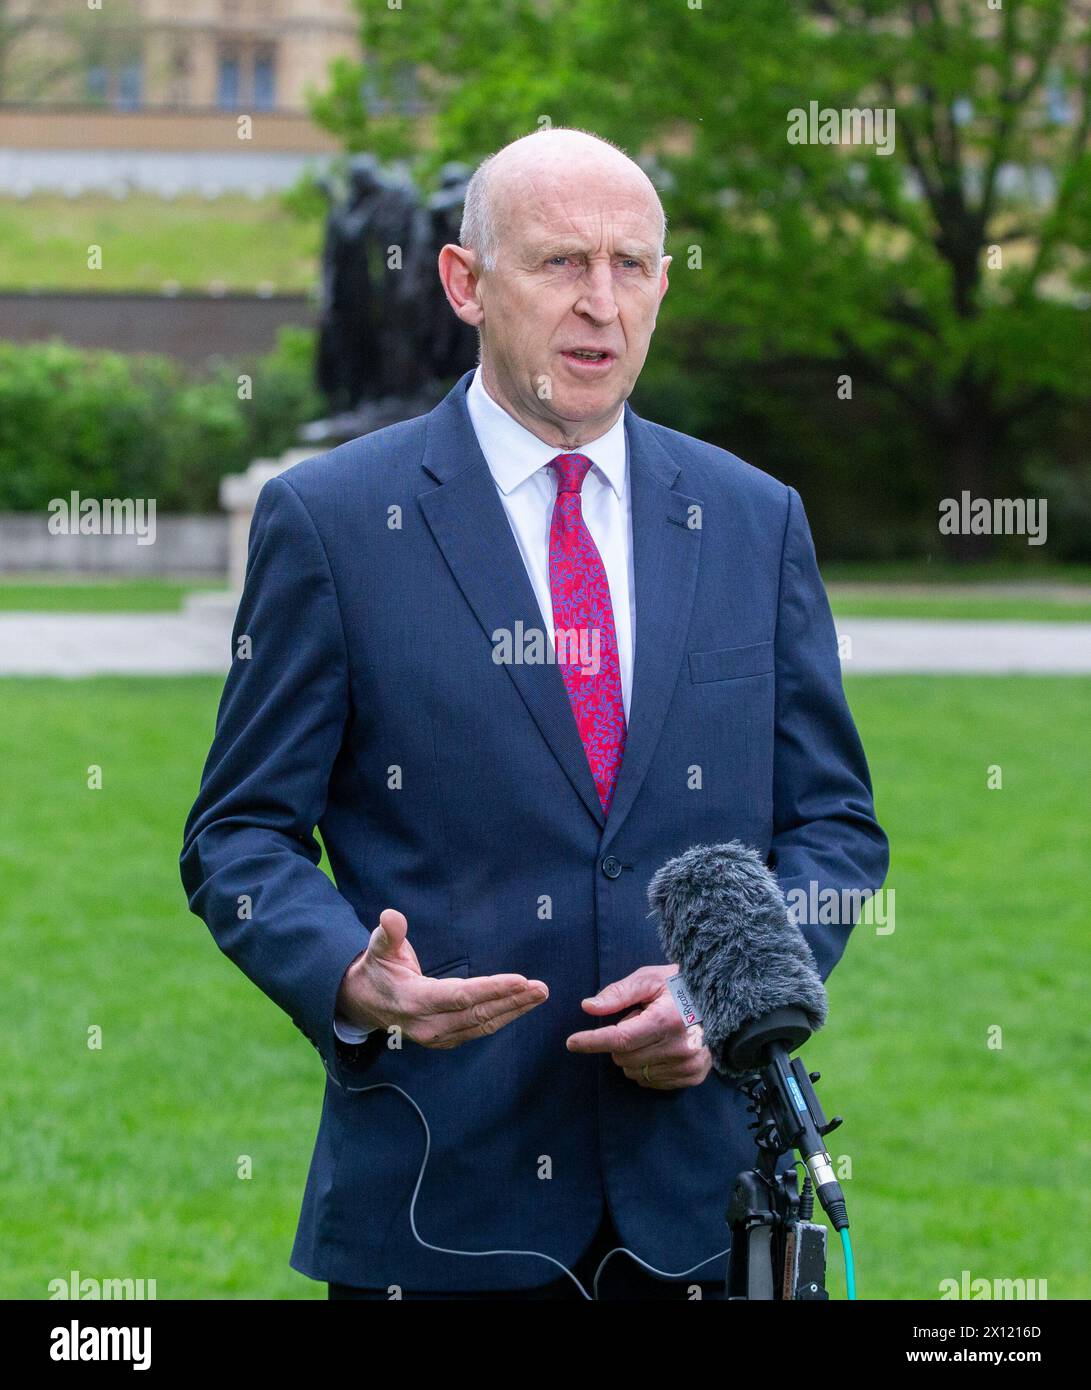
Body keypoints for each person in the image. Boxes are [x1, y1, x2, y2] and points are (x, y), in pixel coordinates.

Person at [180, 127, 888, 1300]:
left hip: (705, 1206)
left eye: (632, 265)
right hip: (437, 1205)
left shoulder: (751, 519)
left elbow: (833, 827)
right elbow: (237, 835)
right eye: (561, 263)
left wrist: (731, 997)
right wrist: (352, 979)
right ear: (466, 283)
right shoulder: (335, 520)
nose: (600, 305)